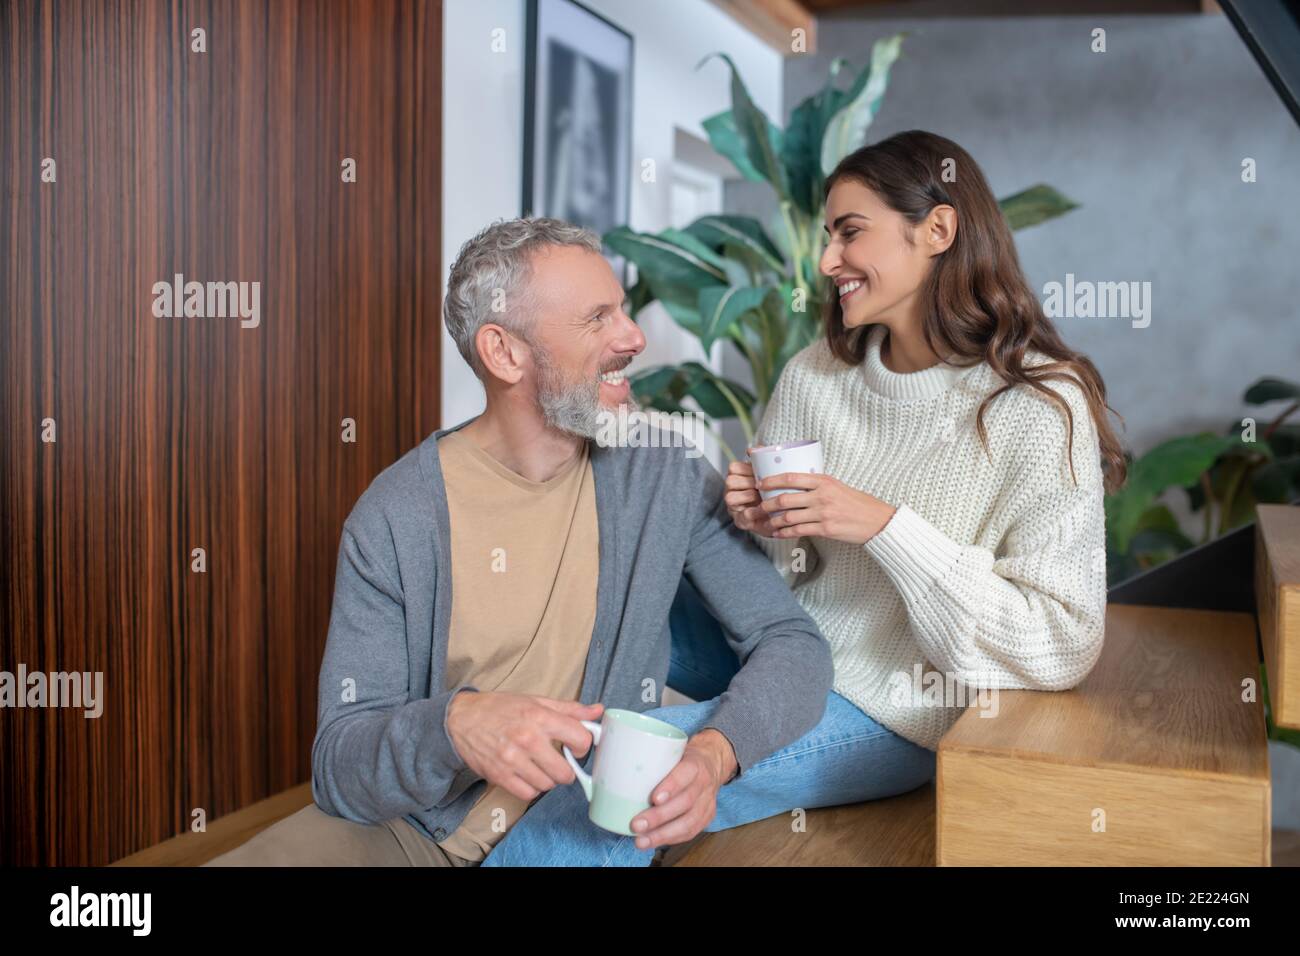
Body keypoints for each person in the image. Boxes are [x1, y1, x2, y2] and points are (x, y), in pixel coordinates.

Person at [484, 130, 1120, 866]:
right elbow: (779, 580)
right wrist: (763, 526)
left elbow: (1064, 641)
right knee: (590, 617)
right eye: (827, 237)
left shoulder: (1040, 407)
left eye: (851, 233)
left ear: (937, 229)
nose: (826, 262)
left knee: (620, 788)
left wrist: (884, 527)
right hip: (773, 652)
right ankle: (452, 773)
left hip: (886, 707)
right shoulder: (816, 375)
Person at [205, 216, 833, 866]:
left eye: (623, 310)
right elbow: (338, 764)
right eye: (598, 318)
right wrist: (452, 725)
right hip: (416, 834)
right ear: (504, 353)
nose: (635, 337)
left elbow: (791, 643)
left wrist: (713, 754)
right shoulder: (396, 516)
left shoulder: (661, 473)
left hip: (586, 828)